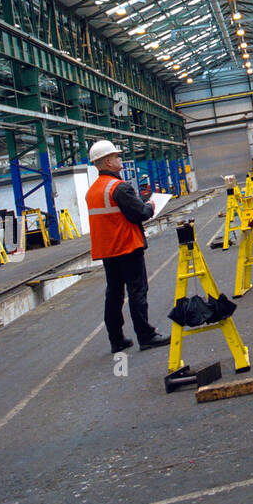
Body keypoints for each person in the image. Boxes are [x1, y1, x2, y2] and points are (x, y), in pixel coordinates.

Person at [85, 139, 169, 353]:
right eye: (116, 156)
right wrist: (150, 205)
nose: (119, 159)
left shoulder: (93, 191)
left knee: (114, 294)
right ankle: (146, 335)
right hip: (127, 247)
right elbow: (140, 214)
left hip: (108, 251)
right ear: (107, 161)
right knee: (137, 291)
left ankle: (117, 340)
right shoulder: (119, 188)